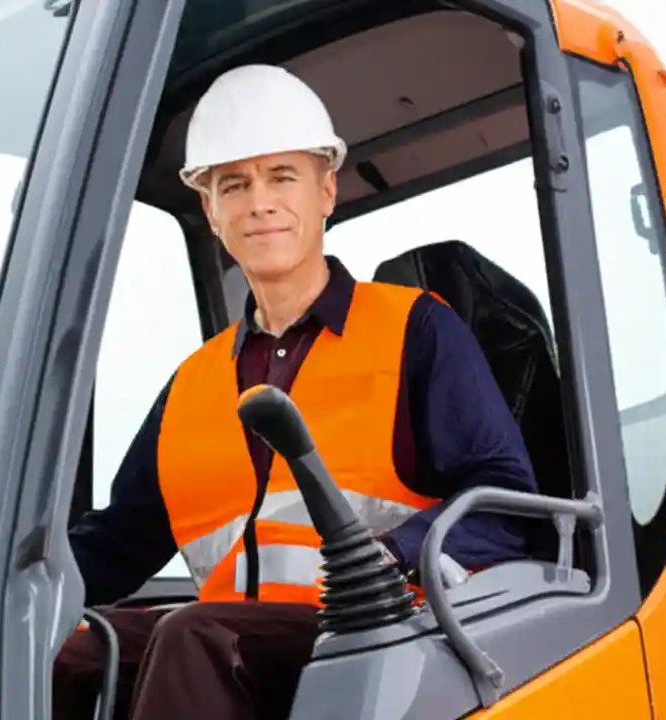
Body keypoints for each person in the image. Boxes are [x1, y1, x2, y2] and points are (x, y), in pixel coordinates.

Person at [54, 63, 539, 720]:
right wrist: (18, 595)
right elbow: (119, 541)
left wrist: (392, 557)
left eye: (282, 177)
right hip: (240, 647)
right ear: (210, 209)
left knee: (195, 632)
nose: (260, 202)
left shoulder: (415, 331)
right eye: (235, 185)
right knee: (70, 652)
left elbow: (506, 499)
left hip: (386, 643)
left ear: (326, 191)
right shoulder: (193, 385)